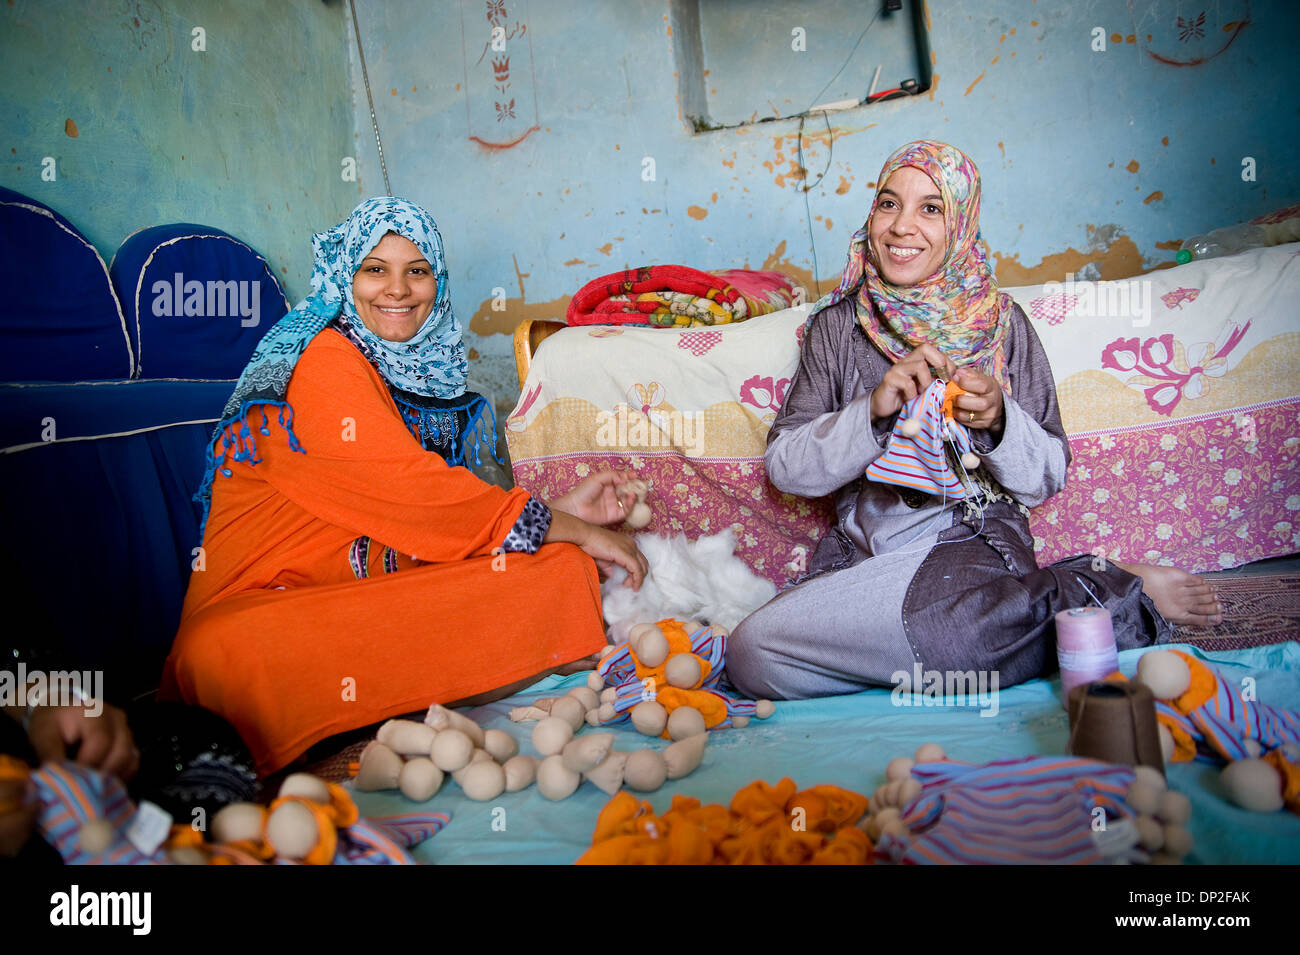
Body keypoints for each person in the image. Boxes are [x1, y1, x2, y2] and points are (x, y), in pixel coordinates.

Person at [159, 197, 648, 774]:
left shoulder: (409, 371)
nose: (397, 290)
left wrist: (563, 519)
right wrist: (581, 531)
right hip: (264, 610)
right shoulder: (321, 359)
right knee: (229, 658)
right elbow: (421, 498)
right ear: (345, 275)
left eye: (416, 271)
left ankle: (376, 712)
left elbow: (423, 523)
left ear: (436, 282)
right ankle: (365, 715)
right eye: (375, 269)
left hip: (362, 589)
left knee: (557, 568)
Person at [726, 141, 1222, 700]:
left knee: (952, 639)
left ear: (960, 222)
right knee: (752, 657)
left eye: (930, 209)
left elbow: (1047, 476)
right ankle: (972, 634)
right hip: (865, 561)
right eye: (889, 204)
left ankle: (1093, 587)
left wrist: (997, 422)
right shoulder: (837, 327)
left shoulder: (1002, 323)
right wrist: (873, 412)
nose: (901, 227)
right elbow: (787, 468)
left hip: (966, 542)